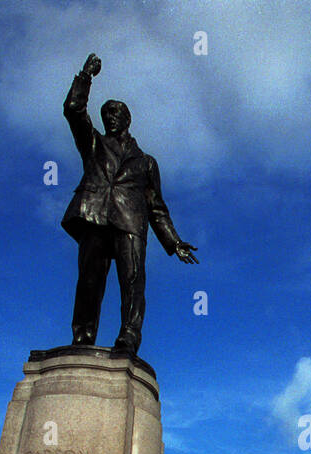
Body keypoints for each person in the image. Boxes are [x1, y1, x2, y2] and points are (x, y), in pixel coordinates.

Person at [62, 53, 198, 357]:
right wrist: (86, 76)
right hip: (95, 214)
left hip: (130, 222)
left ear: (127, 120)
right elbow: (73, 110)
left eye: (116, 113)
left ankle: (129, 337)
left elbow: (156, 207)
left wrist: (174, 243)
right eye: (106, 113)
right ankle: (82, 337)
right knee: (89, 281)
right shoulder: (94, 143)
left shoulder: (146, 162)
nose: (110, 116)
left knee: (133, 282)